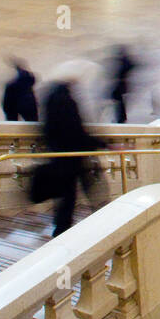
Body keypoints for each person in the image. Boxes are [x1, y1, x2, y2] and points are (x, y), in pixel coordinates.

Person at [39, 81, 104, 237]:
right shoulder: (67, 103)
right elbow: (77, 132)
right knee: (74, 195)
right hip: (72, 159)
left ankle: (60, 227)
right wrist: (102, 144)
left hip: (58, 158)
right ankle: (64, 231)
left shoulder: (49, 102)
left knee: (63, 196)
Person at [106, 45, 137, 124]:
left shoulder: (120, 61)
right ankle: (121, 119)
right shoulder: (126, 61)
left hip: (119, 87)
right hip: (122, 87)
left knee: (119, 104)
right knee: (120, 104)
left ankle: (120, 119)